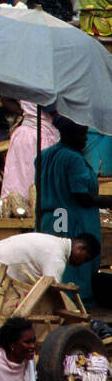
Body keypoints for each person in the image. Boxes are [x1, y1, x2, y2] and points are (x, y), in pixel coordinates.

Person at [37, 116, 112, 300]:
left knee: (49, 263)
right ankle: (75, 303)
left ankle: (50, 300)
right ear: (69, 134)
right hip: (73, 223)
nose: (85, 139)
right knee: (74, 268)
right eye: (82, 134)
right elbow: (82, 197)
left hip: (48, 220)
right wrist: (108, 201)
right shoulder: (73, 159)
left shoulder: (43, 155)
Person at [0, 231, 101, 286]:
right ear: (81, 249)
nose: (80, 264)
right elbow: (52, 291)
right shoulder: (56, 257)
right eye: (85, 259)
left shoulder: (54, 243)